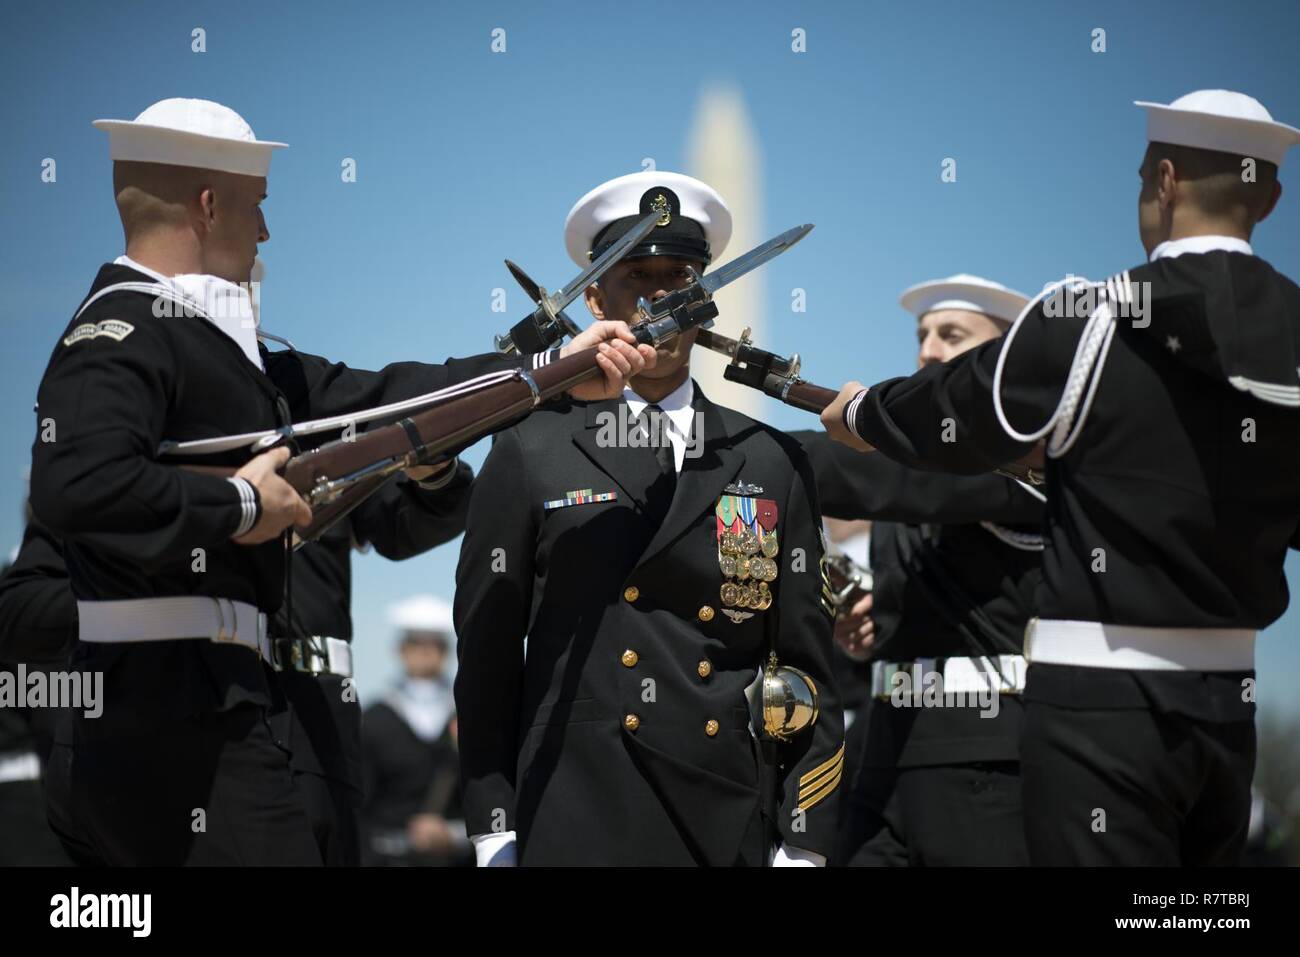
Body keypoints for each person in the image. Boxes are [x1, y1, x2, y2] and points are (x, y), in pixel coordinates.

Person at [27, 97, 652, 866]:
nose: (265, 232)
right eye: (257, 209)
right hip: (168, 712)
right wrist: (244, 503)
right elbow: (76, 482)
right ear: (209, 202)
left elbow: (396, 394)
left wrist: (551, 375)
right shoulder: (124, 328)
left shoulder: (221, 350)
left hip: (212, 701)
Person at [822, 89, 1300, 865]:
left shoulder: (1092, 320)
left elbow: (956, 409)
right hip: (1230, 711)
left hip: (1096, 707)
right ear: (1271, 199)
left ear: (1166, 181)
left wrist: (861, 412)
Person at [454, 171, 844, 866]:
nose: (660, 296)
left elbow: (806, 673)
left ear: (707, 302)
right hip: (574, 810)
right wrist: (493, 828)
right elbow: (487, 661)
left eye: (680, 276)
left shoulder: (769, 459)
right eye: (637, 276)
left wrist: (804, 843)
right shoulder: (528, 448)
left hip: (723, 818)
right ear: (597, 297)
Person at [797, 275, 1044, 866]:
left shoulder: (1025, 453)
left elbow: (881, 481)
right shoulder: (926, 460)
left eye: (951, 334)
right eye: (923, 335)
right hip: (885, 751)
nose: (929, 349)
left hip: (982, 761)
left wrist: (717, 447)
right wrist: (874, 617)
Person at [361, 595, 471, 866]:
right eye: (416, 643)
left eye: (435, 645)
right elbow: (360, 806)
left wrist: (452, 835)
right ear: (401, 650)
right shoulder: (372, 719)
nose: (425, 652)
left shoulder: (467, 715)